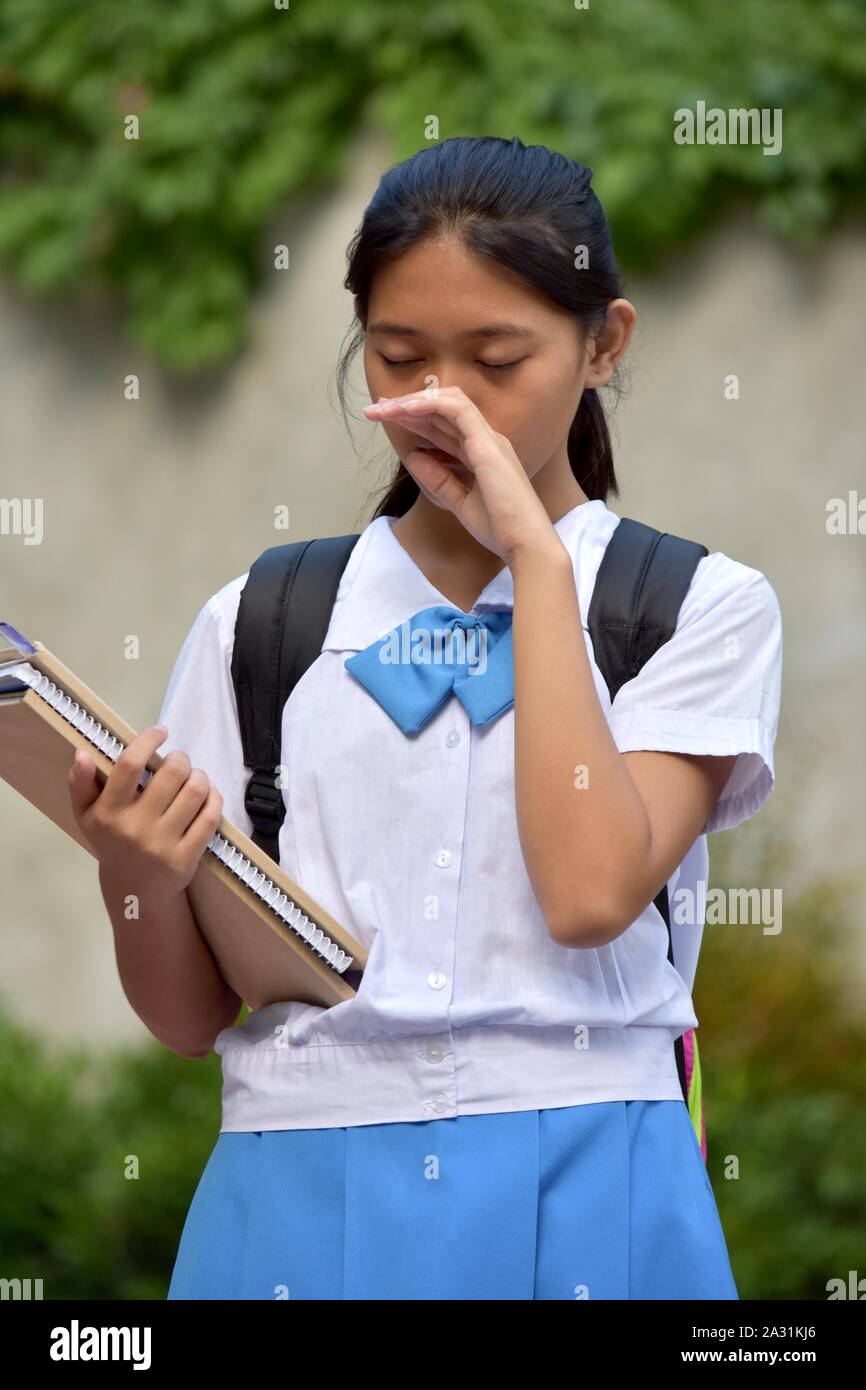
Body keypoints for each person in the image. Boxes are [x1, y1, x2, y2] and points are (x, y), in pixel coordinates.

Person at [69, 135, 782, 1300]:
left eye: (497, 360)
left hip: (594, 1169)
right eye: (403, 359)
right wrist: (131, 872)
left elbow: (590, 892)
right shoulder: (263, 619)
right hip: (298, 1185)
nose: (445, 405)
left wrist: (536, 568)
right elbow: (192, 1017)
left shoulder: (693, 607)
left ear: (603, 342)